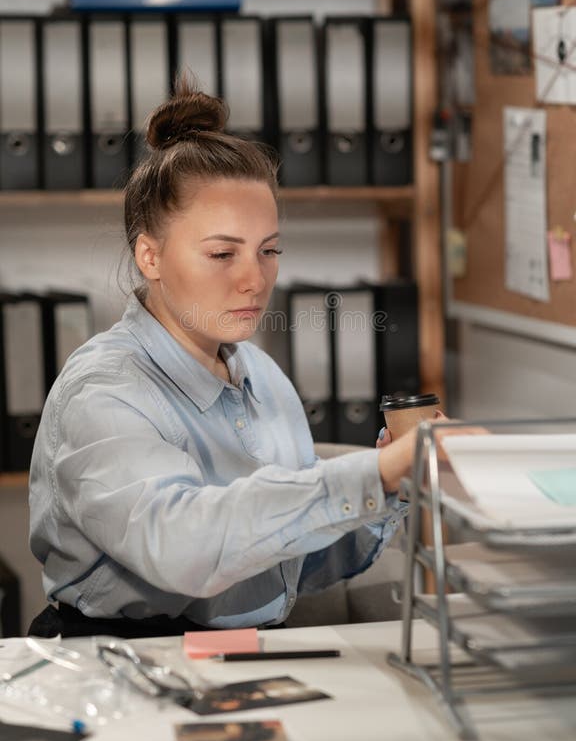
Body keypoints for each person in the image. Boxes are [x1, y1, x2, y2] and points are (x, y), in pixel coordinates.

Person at [28, 80, 430, 638]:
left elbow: (290, 562)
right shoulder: (104, 391)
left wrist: (395, 485)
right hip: (122, 661)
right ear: (150, 255)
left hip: (244, 653)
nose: (254, 278)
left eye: (269, 251)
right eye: (222, 253)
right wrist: (373, 471)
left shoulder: (262, 375)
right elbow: (186, 547)